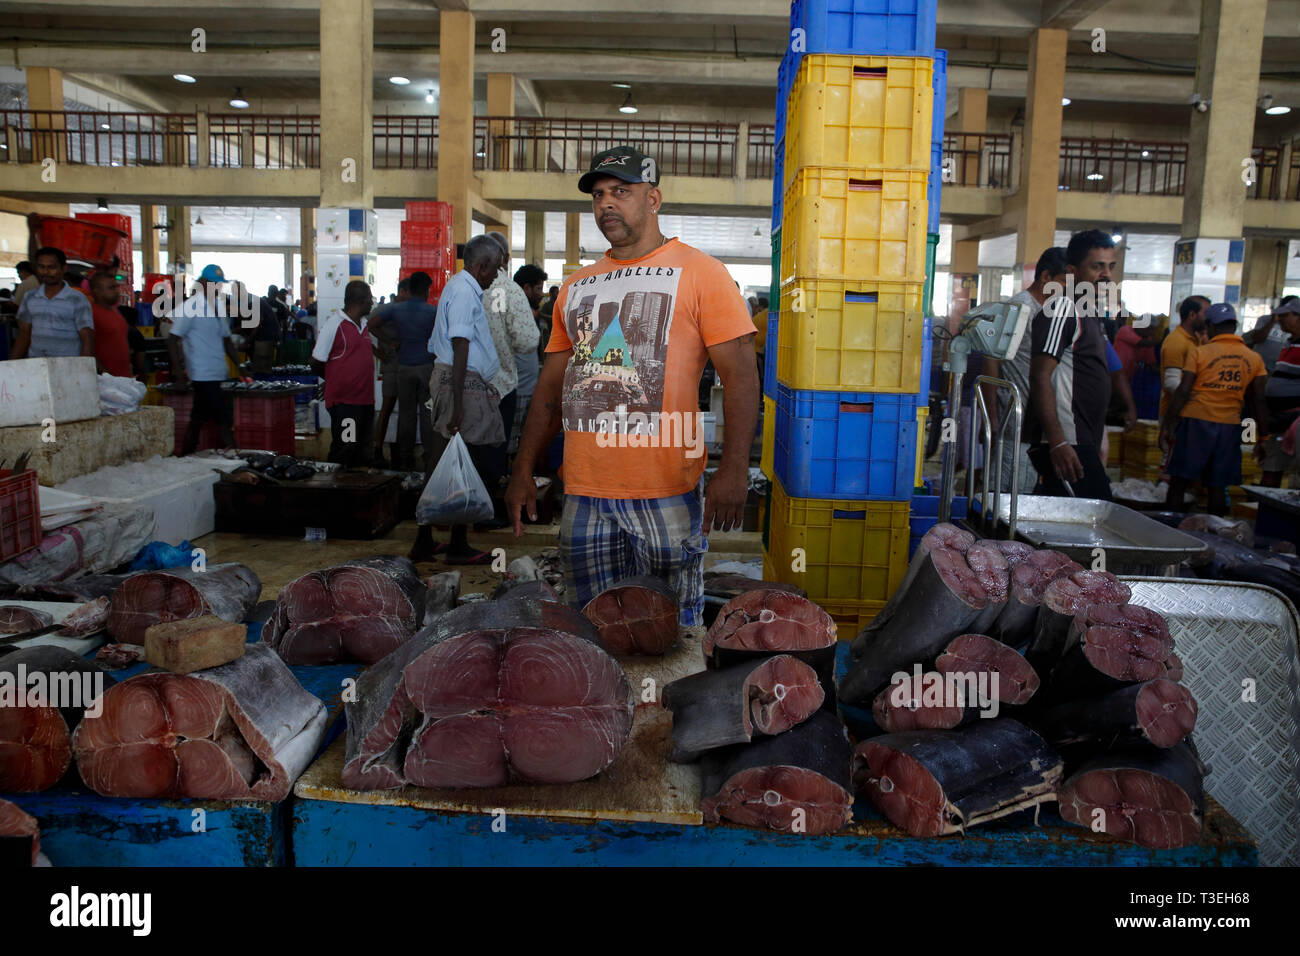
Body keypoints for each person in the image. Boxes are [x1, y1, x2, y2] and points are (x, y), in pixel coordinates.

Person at [505, 145, 760, 627]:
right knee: (592, 626)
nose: (606, 205)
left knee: (669, 630)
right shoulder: (578, 285)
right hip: (583, 491)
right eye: (599, 195)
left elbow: (742, 376)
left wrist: (734, 469)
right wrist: (523, 469)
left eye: (620, 192)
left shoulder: (702, 273)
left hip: (664, 491)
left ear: (654, 199)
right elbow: (551, 390)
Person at [410, 235, 505, 564]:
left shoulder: (462, 287)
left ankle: (439, 540)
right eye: (496, 269)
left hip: (457, 380)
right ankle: (442, 541)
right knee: (448, 459)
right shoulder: (465, 290)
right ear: (482, 267)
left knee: (456, 457)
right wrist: (460, 401)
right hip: (457, 381)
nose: (497, 275)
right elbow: (461, 343)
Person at [1023, 230, 1117, 499]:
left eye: (1111, 266)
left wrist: (1101, 436)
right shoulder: (1061, 309)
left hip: (1083, 439)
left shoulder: (1089, 313)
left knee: (1062, 523)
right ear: (1073, 271)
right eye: (1097, 266)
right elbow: (1040, 376)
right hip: (1067, 441)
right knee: (1095, 517)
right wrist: (1057, 441)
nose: (1106, 274)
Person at [1162, 303, 1268, 516]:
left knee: (1179, 482)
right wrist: (1263, 438)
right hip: (1229, 427)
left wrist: (1168, 425)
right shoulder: (1254, 358)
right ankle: (1217, 536)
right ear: (1235, 326)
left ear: (1210, 326)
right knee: (1217, 486)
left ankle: (1169, 532)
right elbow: (1258, 401)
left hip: (1195, 423)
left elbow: (1183, 391)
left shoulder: (1200, 353)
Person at [982, 246, 1068, 494]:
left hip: (1034, 419)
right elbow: (991, 361)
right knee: (1006, 491)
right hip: (1014, 418)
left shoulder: (1049, 312)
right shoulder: (1019, 309)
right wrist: (991, 417)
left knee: (1025, 486)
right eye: (1063, 282)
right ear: (1045, 278)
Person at [481, 232, 541, 524]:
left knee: (473, 448)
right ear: (504, 258)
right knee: (496, 446)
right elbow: (528, 340)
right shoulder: (508, 289)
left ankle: (469, 509)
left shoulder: (461, 287)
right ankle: (491, 512)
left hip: (466, 383)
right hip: (501, 383)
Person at [167, 264, 246, 453]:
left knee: (199, 417)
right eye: (213, 284)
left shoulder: (218, 306)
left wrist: (240, 366)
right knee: (222, 418)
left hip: (217, 372)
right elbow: (172, 339)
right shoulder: (190, 307)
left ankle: (185, 456)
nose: (217, 288)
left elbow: (226, 340)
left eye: (219, 285)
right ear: (202, 283)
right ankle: (235, 454)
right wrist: (178, 374)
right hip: (201, 373)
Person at [370, 271, 439, 471]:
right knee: (427, 413)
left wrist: (390, 342)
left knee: (406, 415)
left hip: (404, 369)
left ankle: (404, 459)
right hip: (426, 368)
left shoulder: (396, 310)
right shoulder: (432, 312)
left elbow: (371, 325)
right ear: (426, 290)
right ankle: (429, 459)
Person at [311, 280, 376, 468]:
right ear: (360, 301)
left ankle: (357, 490)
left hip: (365, 401)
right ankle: (338, 490)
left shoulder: (363, 324)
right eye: (370, 298)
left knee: (362, 451)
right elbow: (316, 362)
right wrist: (331, 380)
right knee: (346, 449)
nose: (372, 302)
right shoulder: (334, 325)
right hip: (346, 404)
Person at [10, 247, 95, 360]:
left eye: (52, 267)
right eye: (42, 267)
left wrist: (84, 368)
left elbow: (87, 338)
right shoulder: (30, 297)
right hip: (38, 365)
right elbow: (24, 334)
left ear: (64, 268)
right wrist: (11, 365)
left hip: (68, 366)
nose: (46, 272)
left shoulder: (77, 299)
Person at [1260, 297, 1300, 486]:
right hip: (1277, 420)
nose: (1280, 320)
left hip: (1295, 421)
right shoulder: (1288, 344)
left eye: (1285, 316)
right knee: (1270, 469)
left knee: (1295, 475)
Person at [510, 263, 549, 455]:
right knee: (512, 439)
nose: (542, 294)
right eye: (539, 289)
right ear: (526, 288)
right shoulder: (515, 311)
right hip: (518, 390)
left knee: (523, 438)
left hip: (527, 387)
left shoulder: (528, 312)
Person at [369, 279, 408, 466]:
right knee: (387, 409)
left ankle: (398, 453)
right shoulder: (386, 310)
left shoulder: (406, 311)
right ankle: (377, 450)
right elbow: (366, 327)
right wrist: (382, 349)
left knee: (404, 411)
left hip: (405, 366)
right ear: (401, 291)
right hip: (392, 367)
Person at [1162, 296, 1210, 420]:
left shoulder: (1195, 339)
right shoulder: (1176, 341)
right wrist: (1200, 400)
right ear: (1192, 315)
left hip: (1189, 412)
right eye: (1206, 313)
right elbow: (1172, 383)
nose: (1209, 318)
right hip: (1176, 415)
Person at [87, 270, 133, 377]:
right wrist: (105, 374)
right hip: (106, 381)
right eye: (111, 288)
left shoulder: (116, 312)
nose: (117, 291)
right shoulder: (91, 313)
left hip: (122, 378)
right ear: (96, 290)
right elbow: (88, 349)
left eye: (117, 287)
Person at [1244, 294, 1298, 373]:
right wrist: (1272, 321)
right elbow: (1257, 338)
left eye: (1286, 314)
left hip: (1279, 368)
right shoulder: (1264, 319)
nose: (1283, 316)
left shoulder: (1294, 327)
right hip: (1259, 367)